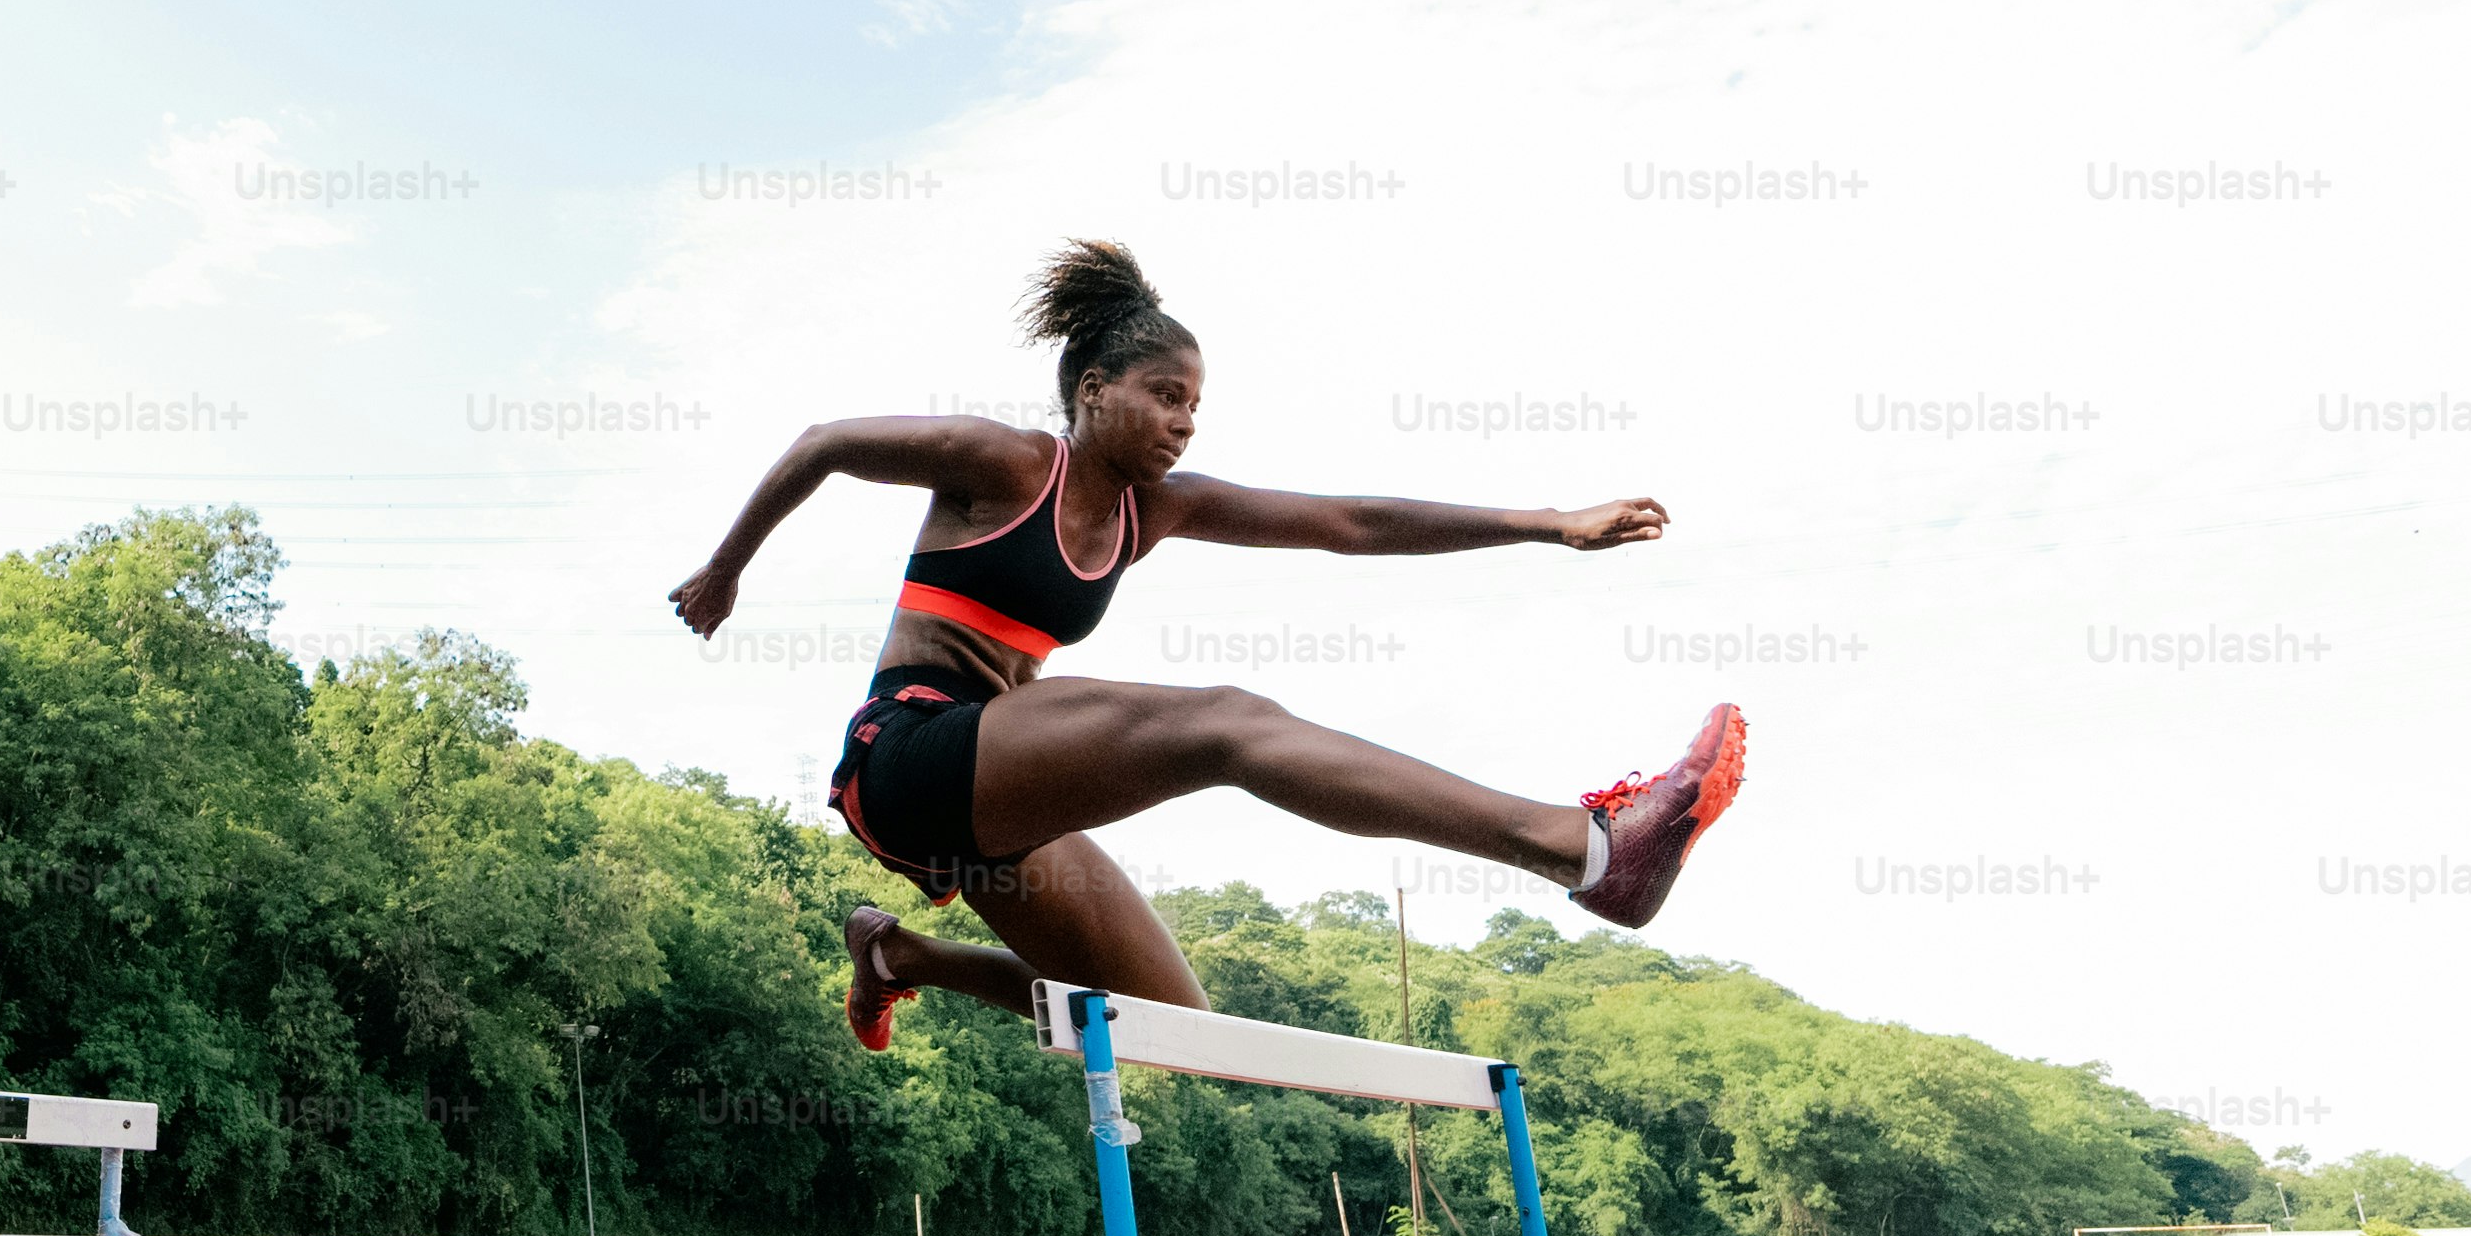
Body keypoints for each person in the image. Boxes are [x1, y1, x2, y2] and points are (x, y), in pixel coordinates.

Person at [668, 241, 1745, 1052]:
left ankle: (900, 956)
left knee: (1177, 1030)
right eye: (1165, 396)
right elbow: (826, 446)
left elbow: (1349, 524)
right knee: (1228, 725)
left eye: (1197, 405)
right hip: (904, 757)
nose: (1185, 423)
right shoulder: (1006, 463)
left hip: (991, 806)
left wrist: (1546, 523)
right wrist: (727, 569)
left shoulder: (1158, 511)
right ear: (1094, 393)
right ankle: (1583, 848)